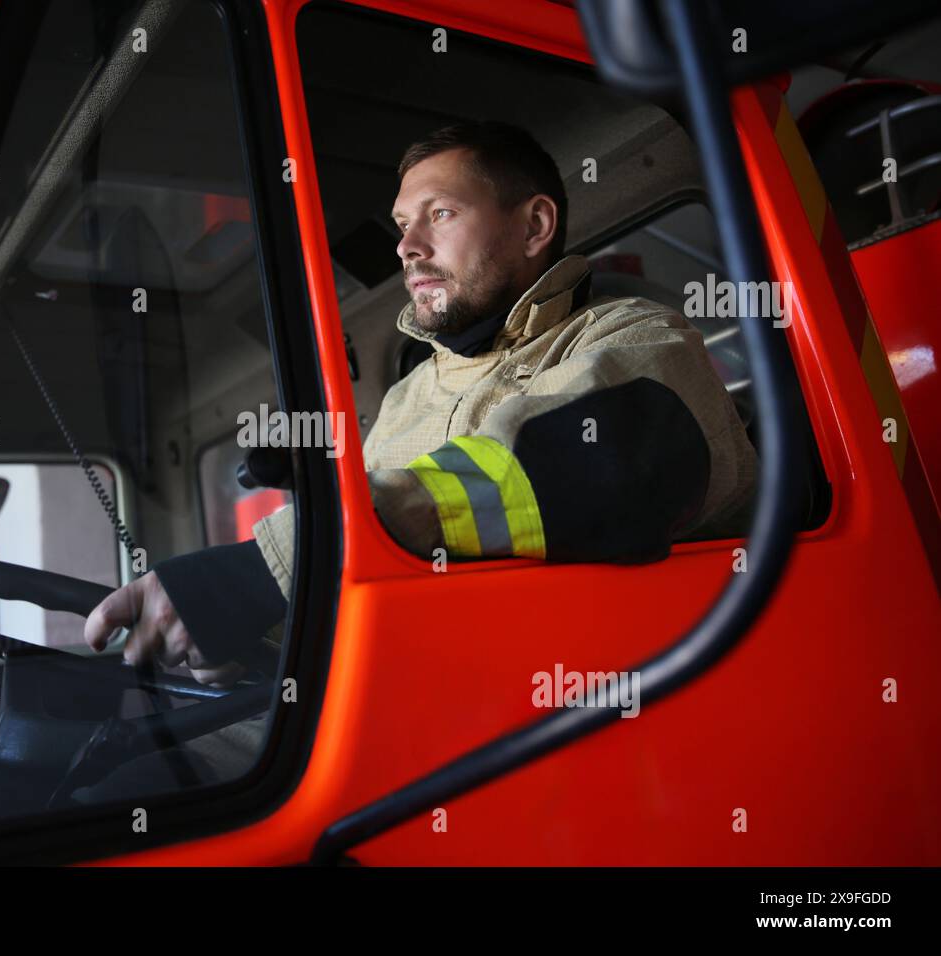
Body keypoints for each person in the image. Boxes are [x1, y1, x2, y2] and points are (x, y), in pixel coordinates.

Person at [79, 122, 756, 783]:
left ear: (534, 225)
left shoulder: (635, 336)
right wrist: (257, 631)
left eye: (440, 213)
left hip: (543, 738)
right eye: (403, 223)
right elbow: (369, 571)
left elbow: (561, 466)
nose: (406, 245)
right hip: (385, 718)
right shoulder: (406, 395)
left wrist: (262, 572)